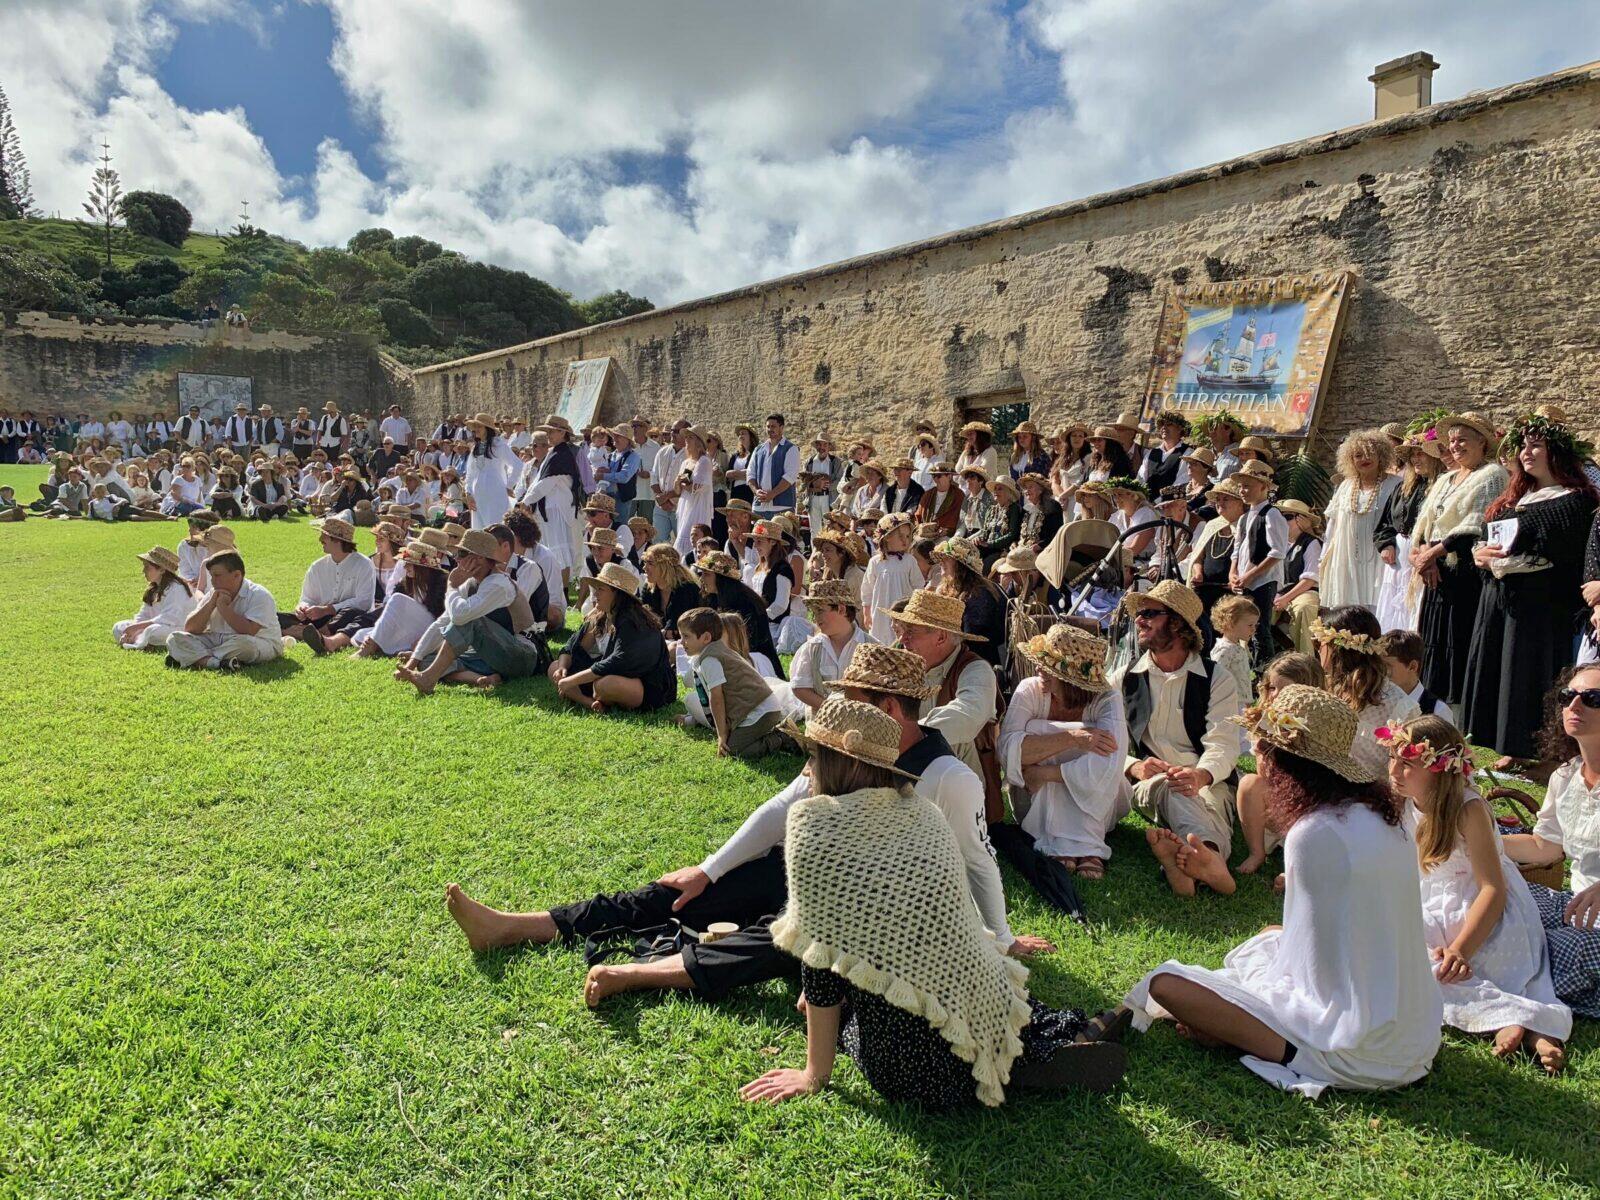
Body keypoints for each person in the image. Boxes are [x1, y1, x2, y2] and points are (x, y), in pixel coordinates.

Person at [742, 697, 1126, 1108]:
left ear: (844, 763)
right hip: (977, 1002)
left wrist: (813, 1074)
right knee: (977, 984)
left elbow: (819, 966)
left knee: (848, 1014)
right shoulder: (922, 813)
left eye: (814, 756)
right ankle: (1039, 1044)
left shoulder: (815, 826)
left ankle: (1023, 1061)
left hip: (911, 1069)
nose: (807, 768)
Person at [1123, 684, 1442, 1097]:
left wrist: (1235, 1011)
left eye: (1259, 749)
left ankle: (1245, 1036)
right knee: (1267, 938)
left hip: (1352, 1048)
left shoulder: (1313, 833)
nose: (1255, 758)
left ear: (1282, 762)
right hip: (1414, 1037)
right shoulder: (1385, 818)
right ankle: (1238, 1025)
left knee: (1163, 983)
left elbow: (1307, 976)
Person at [1380, 717, 1570, 1072]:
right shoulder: (1403, 799)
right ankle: (1517, 1025)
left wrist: (1461, 949)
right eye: (1392, 758)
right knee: (1394, 949)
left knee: (1427, 966)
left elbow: (1492, 889)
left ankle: (1520, 1020)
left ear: (1439, 770)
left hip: (1483, 915)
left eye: (1407, 763)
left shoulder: (1468, 809)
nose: (1395, 770)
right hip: (1432, 900)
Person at [1461, 412, 1598, 764]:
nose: (1526, 452)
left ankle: (1533, 749)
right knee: (1499, 668)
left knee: (1527, 673)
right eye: (1523, 446)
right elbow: (1485, 537)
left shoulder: (1575, 500)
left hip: (1540, 604)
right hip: (1499, 600)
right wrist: (1480, 554)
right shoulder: (1513, 499)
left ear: (1556, 452)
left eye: (1536, 446)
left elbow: (1564, 556)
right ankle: (1504, 745)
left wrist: (1504, 564)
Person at [1113, 581, 1243, 897]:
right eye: (1138, 614)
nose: (1139, 621)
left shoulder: (1217, 679)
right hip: (1151, 783)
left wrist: (1201, 775)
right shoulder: (1124, 679)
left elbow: (1224, 741)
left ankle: (1190, 863)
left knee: (1210, 804)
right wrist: (1133, 767)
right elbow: (1105, 737)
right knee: (1173, 789)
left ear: (1177, 623)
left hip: (1206, 780)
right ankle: (1208, 859)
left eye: (1149, 614)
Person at [1504, 668, 1600, 1020]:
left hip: (1585, 933)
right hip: (1576, 910)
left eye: (1593, 699)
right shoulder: (1565, 776)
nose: (1575, 704)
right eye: (1567, 696)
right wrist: (1478, 839)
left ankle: (1522, 998)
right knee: (1502, 900)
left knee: (1562, 948)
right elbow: (1545, 847)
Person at [1000, 624, 1126, 878]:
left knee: (1090, 750)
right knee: (1052, 735)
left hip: (1096, 800)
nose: (1039, 670)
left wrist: (1045, 772)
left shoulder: (1107, 699)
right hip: (1032, 798)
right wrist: (1072, 737)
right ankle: (1084, 848)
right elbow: (1007, 752)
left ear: (1073, 683)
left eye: (1049, 668)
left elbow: (1109, 767)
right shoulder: (1029, 690)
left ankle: (1080, 845)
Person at [1410, 413, 1508, 706]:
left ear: (1482, 442)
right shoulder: (1446, 478)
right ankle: (1431, 696)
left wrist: (1432, 554)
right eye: (1451, 441)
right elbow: (1426, 522)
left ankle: (1459, 701)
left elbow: (1477, 525)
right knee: (1433, 634)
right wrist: (1421, 555)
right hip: (1436, 570)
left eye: (1462, 439)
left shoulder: (1492, 475)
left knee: (1458, 633)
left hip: (1463, 570)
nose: (1455, 446)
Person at [397, 528, 541, 693]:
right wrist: (413, 662)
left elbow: (460, 617)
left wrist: (452, 587)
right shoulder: (471, 582)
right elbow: (443, 621)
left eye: (461, 554)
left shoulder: (499, 584)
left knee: (469, 619)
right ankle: (484, 678)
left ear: (478, 558)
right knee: (427, 659)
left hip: (523, 657)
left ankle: (428, 679)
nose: (456, 559)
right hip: (493, 654)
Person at [1234, 651, 1325, 875]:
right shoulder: (1266, 722)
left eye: (1283, 690)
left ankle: (1297, 864)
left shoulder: (1323, 726)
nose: (1274, 696)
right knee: (1249, 784)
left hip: (1310, 805)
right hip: (1278, 804)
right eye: (1271, 688)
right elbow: (1264, 773)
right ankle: (1257, 852)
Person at [550, 562, 676, 713]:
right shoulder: (600, 616)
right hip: (607, 675)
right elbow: (570, 647)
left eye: (601, 589)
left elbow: (617, 661)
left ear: (617, 594)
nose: (595, 594)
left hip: (645, 685)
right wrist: (563, 669)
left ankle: (597, 696)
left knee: (604, 685)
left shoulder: (633, 622)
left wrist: (572, 680)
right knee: (554, 667)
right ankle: (590, 703)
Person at [1312, 606, 1420, 779]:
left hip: (1371, 801)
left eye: (1319, 643)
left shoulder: (1400, 706)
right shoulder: (1320, 690)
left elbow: (1407, 772)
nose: (1317, 650)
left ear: (1337, 649)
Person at [677, 608, 791, 758]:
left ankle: (781, 738)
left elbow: (716, 699)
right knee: (732, 746)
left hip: (761, 712)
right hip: (759, 708)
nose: (681, 642)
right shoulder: (715, 651)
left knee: (731, 751)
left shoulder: (710, 660)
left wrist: (721, 735)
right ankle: (775, 733)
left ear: (706, 637)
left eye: (686, 636)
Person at [165, 551, 285, 670]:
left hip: (257, 641)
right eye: (211, 576)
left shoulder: (259, 595)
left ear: (237, 575)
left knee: (246, 645)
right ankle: (215, 663)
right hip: (219, 640)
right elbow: (190, 629)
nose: (212, 581)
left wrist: (223, 608)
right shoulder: (213, 593)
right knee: (174, 638)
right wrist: (211, 604)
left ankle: (193, 657)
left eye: (217, 575)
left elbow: (249, 630)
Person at [1319, 429, 1397, 610]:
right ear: (1350, 460)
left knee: (1380, 606)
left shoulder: (1395, 484)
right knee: (1349, 611)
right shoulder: (1345, 485)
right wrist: (1325, 556)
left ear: (1381, 455)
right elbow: (1333, 524)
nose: (1364, 459)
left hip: (1381, 555)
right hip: (1346, 555)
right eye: (1358, 455)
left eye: (1370, 453)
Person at [278, 517, 378, 654]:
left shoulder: (364, 564)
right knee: (277, 617)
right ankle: (306, 632)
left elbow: (364, 603)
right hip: (319, 617)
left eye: (324, 536)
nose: (320, 539)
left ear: (337, 540)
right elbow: (308, 598)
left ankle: (311, 633)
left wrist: (328, 609)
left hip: (348, 618)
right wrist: (302, 608)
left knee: (351, 612)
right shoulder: (317, 566)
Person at [1375, 438, 1443, 632]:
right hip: (1398, 557)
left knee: (1415, 606)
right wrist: (1386, 544)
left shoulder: (1440, 486)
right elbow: (1386, 522)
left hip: (1422, 554)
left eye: (1420, 453)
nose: (1416, 459)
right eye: (1412, 455)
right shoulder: (1403, 487)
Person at [694, 550, 785, 680]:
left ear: (721, 579)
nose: (701, 578)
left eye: (706, 574)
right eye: (701, 574)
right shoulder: (712, 598)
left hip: (753, 659)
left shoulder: (746, 603)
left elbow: (748, 643)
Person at [787, 579, 868, 711]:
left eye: (819, 611)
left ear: (841, 609)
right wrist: (830, 708)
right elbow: (799, 687)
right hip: (822, 726)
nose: (815, 618)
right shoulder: (812, 648)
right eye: (813, 612)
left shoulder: (870, 646)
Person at [931, 536, 1006, 665]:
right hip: (956, 657)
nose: (941, 563)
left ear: (960, 565)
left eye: (946, 559)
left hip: (975, 661)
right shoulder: (950, 588)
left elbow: (975, 637)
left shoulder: (978, 593)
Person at [113, 546, 193, 651]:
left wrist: (135, 628)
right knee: (119, 626)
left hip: (176, 628)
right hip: (155, 626)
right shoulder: (154, 588)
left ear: (162, 569)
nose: (143, 571)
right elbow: (143, 615)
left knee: (152, 632)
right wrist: (132, 629)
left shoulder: (176, 588)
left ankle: (141, 642)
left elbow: (169, 619)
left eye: (147, 567)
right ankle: (140, 641)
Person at [1270, 499, 1324, 654]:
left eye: (1286, 517)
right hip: (1282, 592)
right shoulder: (1277, 544)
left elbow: (1310, 579)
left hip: (1306, 590)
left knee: (1303, 608)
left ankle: (1305, 661)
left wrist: (1285, 598)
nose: (1280, 521)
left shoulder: (1311, 543)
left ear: (1300, 519)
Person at [1209, 593, 1258, 740]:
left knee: (1244, 732)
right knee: (1234, 734)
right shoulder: (1225, 649)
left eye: (1255, 625)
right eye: (1250, 625)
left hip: (1240, 699)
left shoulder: (1236, 647)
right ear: (1231, 623)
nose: (1253, 629)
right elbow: (1215, 673)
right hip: (1229, 701)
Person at [462, 412, 521, 530]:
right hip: (477, 497)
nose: (476, 430)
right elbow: (470, 473)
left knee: (496, 529)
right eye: (475, 427)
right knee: (479, 532)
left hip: (494, 496)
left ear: (487, 428)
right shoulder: (475, 448)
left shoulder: (499, 445)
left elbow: (518, 465)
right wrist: (468, 493)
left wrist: (509, 486)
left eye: (479, 426)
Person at [639, 542, 701, 636]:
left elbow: (674, 629)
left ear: (665, 566)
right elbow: (643, 619)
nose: (644, 567)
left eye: (650, 563)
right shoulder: (648, 589)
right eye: (645, 562)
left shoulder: (686, 588)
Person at [747, 413, 799, 522]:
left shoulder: (791, 448)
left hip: (782, 507)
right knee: (758, 538)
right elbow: (750, 474)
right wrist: (756, 491)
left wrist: (772, 494)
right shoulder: (758, 450)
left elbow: (790, 476)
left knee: (782, 538)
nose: (770, 429)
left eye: (773, 426)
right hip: (759, 507)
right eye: (768, 426)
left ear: (782, 427)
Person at [1139, 410, 1192, 493]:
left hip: (1171, 503)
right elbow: (1140, 479)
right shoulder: (1151, 453)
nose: (1164, 427)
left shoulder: (1188, 453)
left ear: (1180, 429)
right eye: (1162, 424)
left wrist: (1158, 502)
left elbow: (1182, 483)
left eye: (1169, 424)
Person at [915, 461, 962, 535]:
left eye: (939, 476)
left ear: (949, 476)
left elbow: (960, 522)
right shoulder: (927, 494)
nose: (935, 479)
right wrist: (920, 529)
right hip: (925, 535)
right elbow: (917, 517)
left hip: (947, 537)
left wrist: (948, 531)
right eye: (933, 476)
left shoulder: (959, 495)